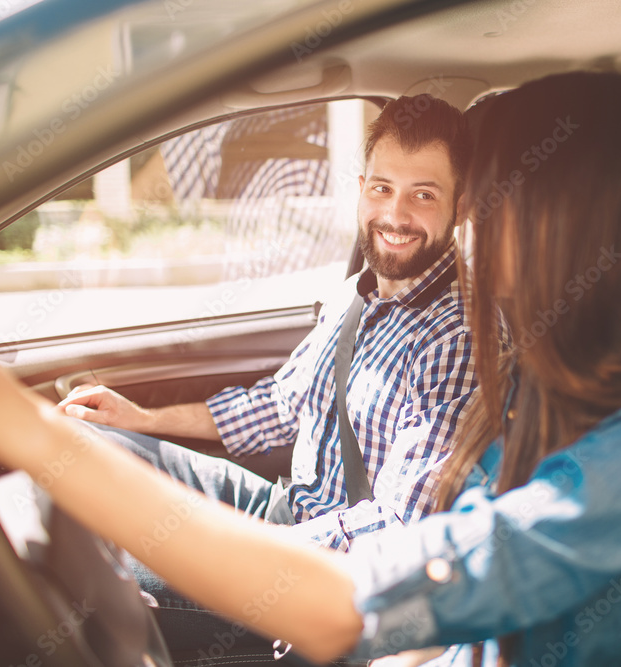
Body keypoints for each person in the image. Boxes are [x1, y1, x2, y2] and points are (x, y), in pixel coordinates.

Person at [0, 71, 621, 666]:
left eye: (474, 208)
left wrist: (19, 421)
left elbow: (358, 603)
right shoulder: (549, 377)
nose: (463, 238)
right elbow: (429, 598)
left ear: (554, 226)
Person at [54, 93, 479, 649]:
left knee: (96, 588)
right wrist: (143, 418)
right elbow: (281, 405)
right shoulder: (359, 293)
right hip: (284, 508)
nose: (396, 215)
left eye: (423, 195)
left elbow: (400, 531)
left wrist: (238, 549)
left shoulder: (458, 337)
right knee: (83, 445)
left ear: (461, 204)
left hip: (326, 579)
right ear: (361, 190)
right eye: (382, 189)